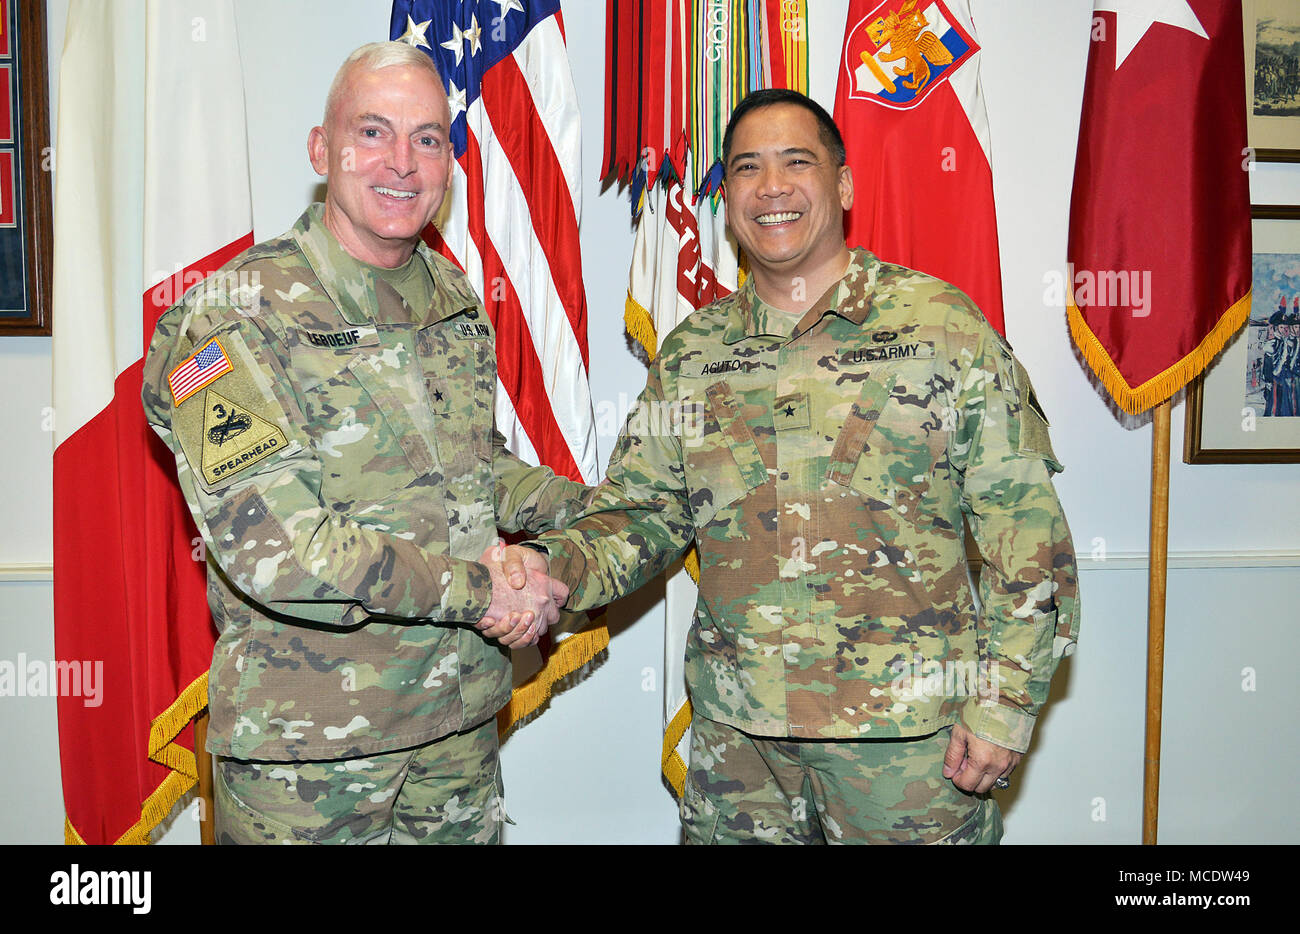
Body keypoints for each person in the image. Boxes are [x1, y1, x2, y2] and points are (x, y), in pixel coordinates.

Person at [492, 89, 1079, 844]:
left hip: (907, 753)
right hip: (740, 753)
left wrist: (1003, 705)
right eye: (747, 168)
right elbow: (639, 517)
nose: (771, 187)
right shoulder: (693, 354)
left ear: (844, 184)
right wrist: (551, 568)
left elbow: (1026, 536)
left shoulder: (943, 328)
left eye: (796, 162)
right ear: (727, 198)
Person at [142, 41, 580, 844]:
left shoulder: (450, 295)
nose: (402, 162)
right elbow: (282, 550)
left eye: (427, 138)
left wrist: (594, 509)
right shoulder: (228, 319)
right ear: (322, 150)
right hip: (309, 760)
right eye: (373, 132)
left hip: (456, 733)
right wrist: (486, 594)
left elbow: (474, 471)